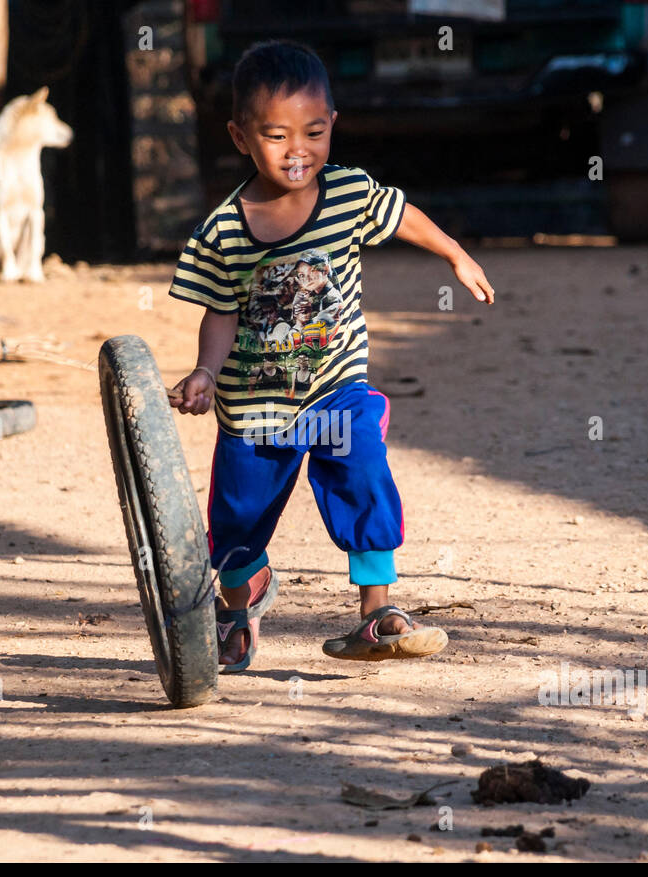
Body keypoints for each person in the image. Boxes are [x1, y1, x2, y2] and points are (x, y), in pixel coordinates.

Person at [167, 39, 494, 672]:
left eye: (314, 132)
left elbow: (403, 217)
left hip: (334, 389)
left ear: (332, 126)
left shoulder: (347, 194)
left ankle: (378, 613)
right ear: (240, 137)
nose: (298, 150)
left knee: (364, 475)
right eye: (277, 135)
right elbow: (221, 312)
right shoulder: (222, 232)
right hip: (254, 411)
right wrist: (206, 372)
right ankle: (242, 601)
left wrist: (454, 252)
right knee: (235, 528)